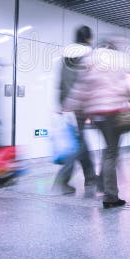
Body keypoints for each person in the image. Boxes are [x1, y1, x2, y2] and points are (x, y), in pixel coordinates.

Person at [63, 36, 130, 209]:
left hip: (96, 114)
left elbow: (81, 87)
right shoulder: (118, 59)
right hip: (113, 112)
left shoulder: (90, 59)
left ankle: (104, 187)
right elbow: (123, 87)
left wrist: (68, 106)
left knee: (108, 151)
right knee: (111, 152)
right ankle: (110, 195)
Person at [53, 27, 98, 195]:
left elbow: (60, 83)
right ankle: (62, 179)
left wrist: (61, 105)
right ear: (88, 38)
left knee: (80, 140)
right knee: (78, 144)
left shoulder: (65, 56)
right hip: (80, 106)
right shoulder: (88, 54)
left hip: (67, 105)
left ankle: (90, 176)